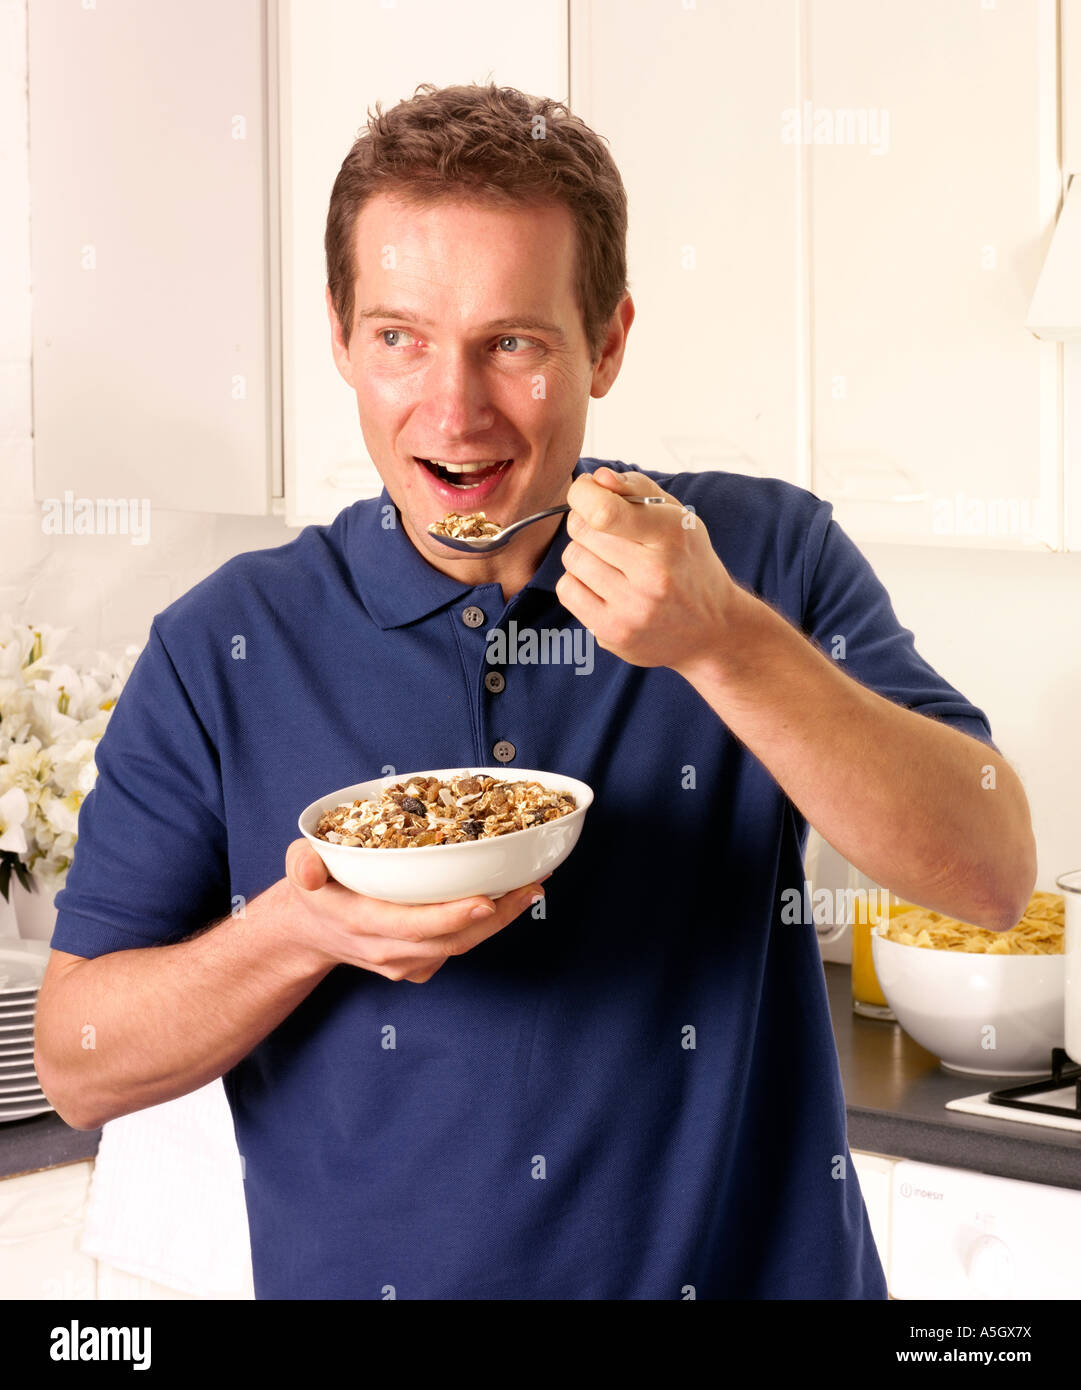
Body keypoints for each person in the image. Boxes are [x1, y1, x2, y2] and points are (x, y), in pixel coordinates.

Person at [35, 83, 1036, 1300]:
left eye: (513, 342)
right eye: (400, 336)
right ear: (342, 337)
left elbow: (988, 872)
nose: (453, 410)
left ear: (606, 342)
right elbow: (78, 1062)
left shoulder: (758, 556)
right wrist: (303, 931)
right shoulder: (224, 643)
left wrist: (722, 643)